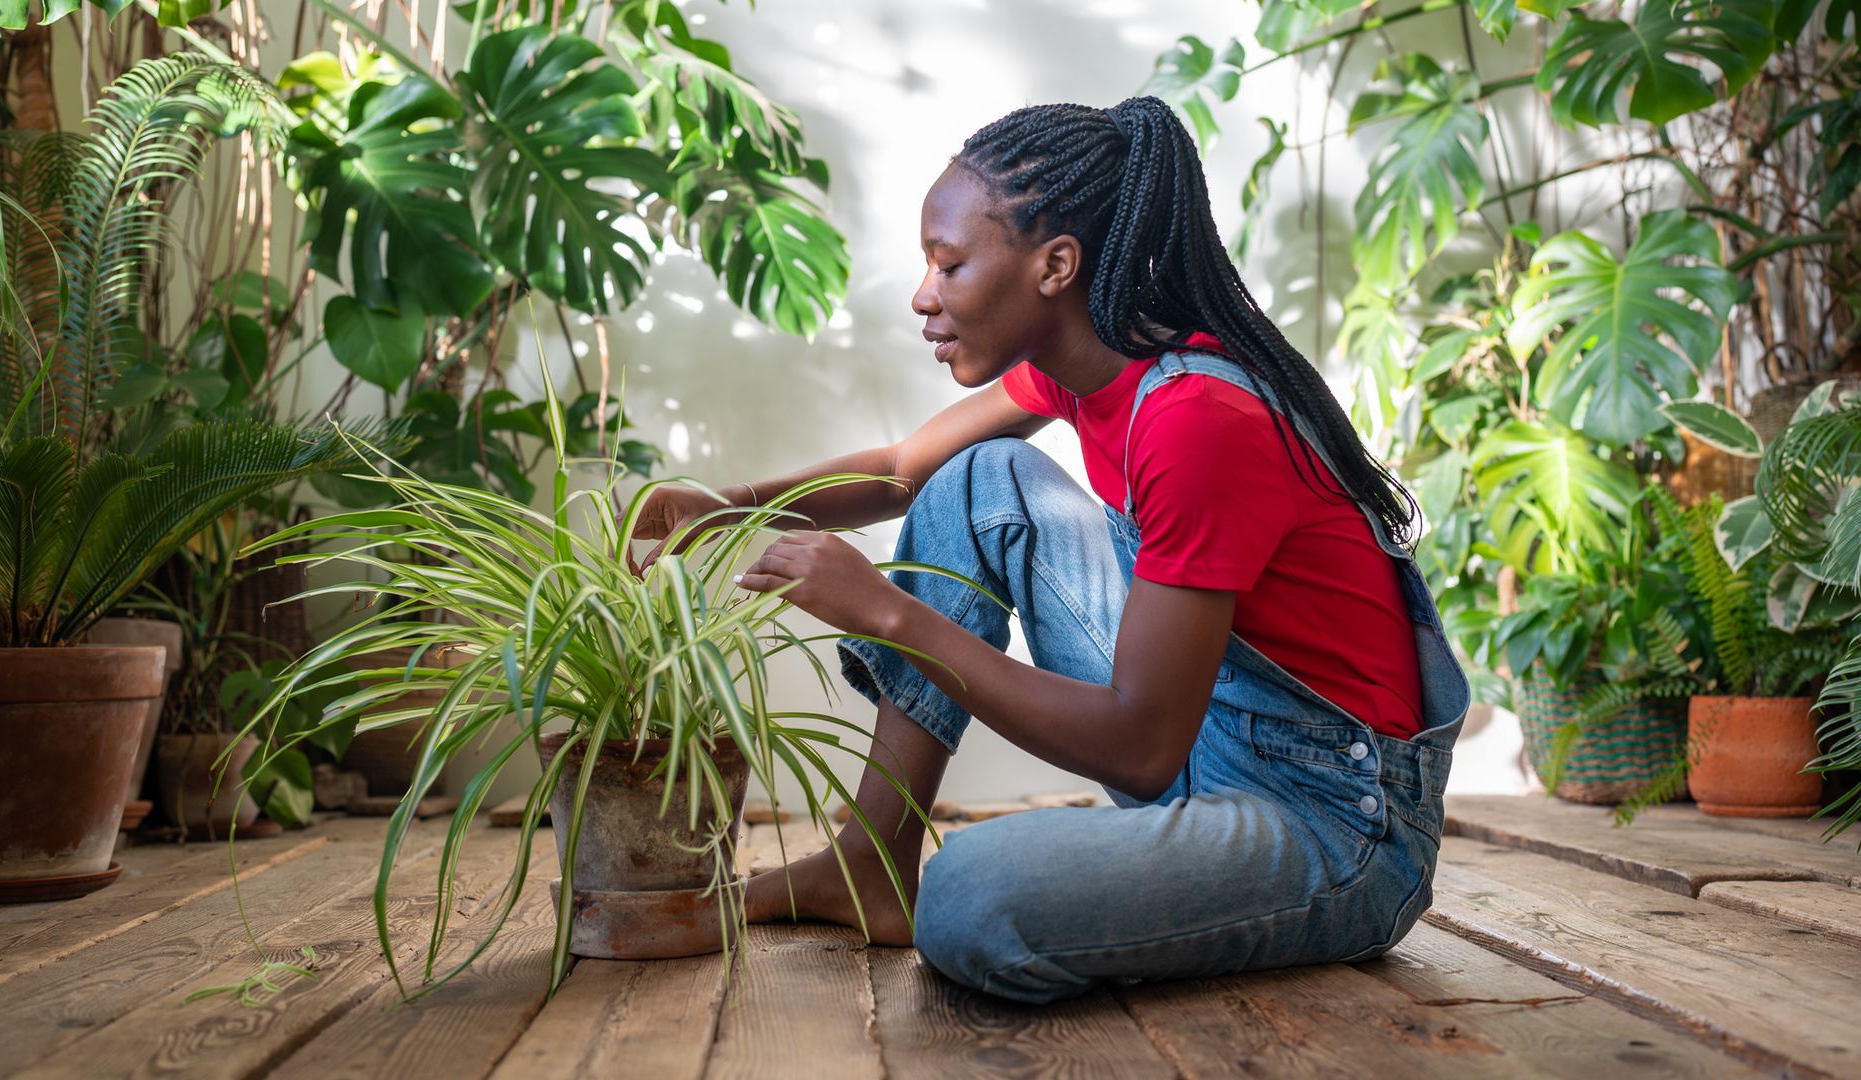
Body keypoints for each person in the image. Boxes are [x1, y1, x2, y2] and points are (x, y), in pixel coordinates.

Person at [626, 96, 1471, 1005]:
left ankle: (924, 879)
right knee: (978, 482)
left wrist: (883, 609)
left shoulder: (1196, 418)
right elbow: (905, 471)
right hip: (1211, 734)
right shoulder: (1089, 365)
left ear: (1054, 267)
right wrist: (719, 506)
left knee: (975, 898)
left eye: (949, 264)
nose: (923, 295)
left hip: (1332, 821)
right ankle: (870, 863)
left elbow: (1141, 749)